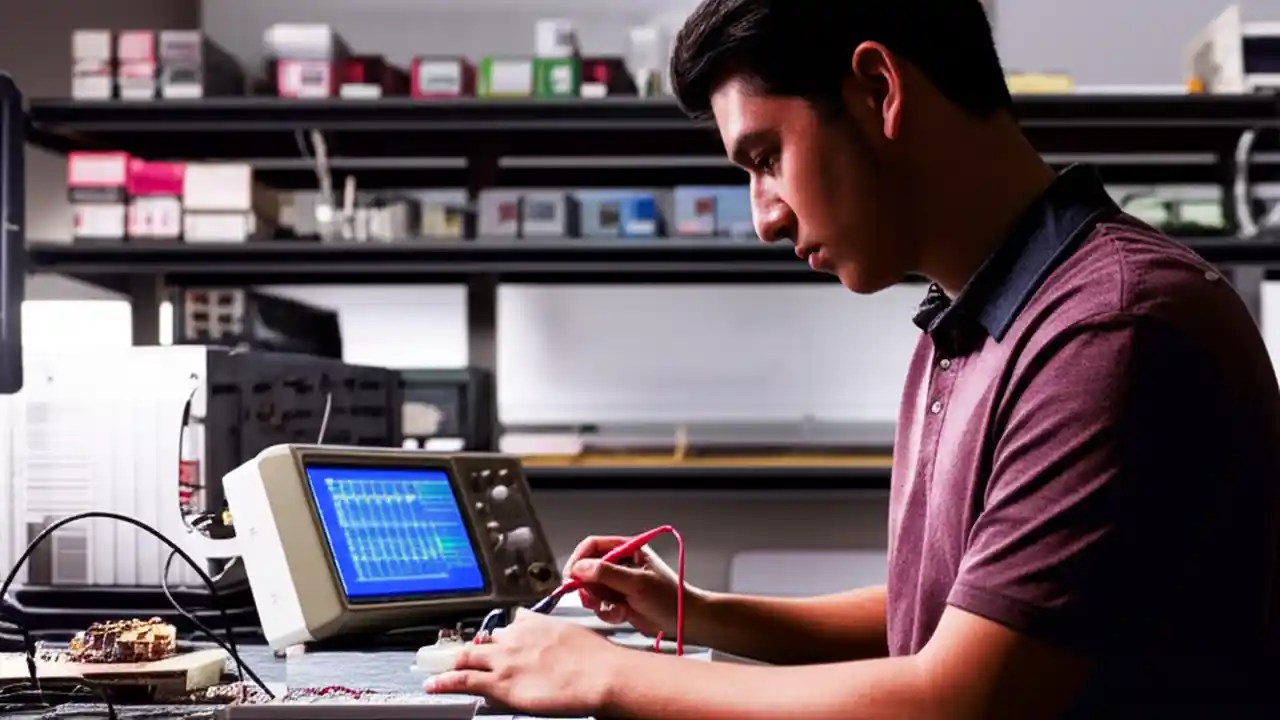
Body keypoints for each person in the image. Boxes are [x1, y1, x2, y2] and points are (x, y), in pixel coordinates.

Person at [425, 1, 1280, 717]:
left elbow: (960, 697)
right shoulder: (971, 325)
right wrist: (703, 615)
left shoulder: (1111, 328)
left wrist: (603, 672)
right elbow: (962, 617)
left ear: (877, 90)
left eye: (765, 158)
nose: (763, 216)